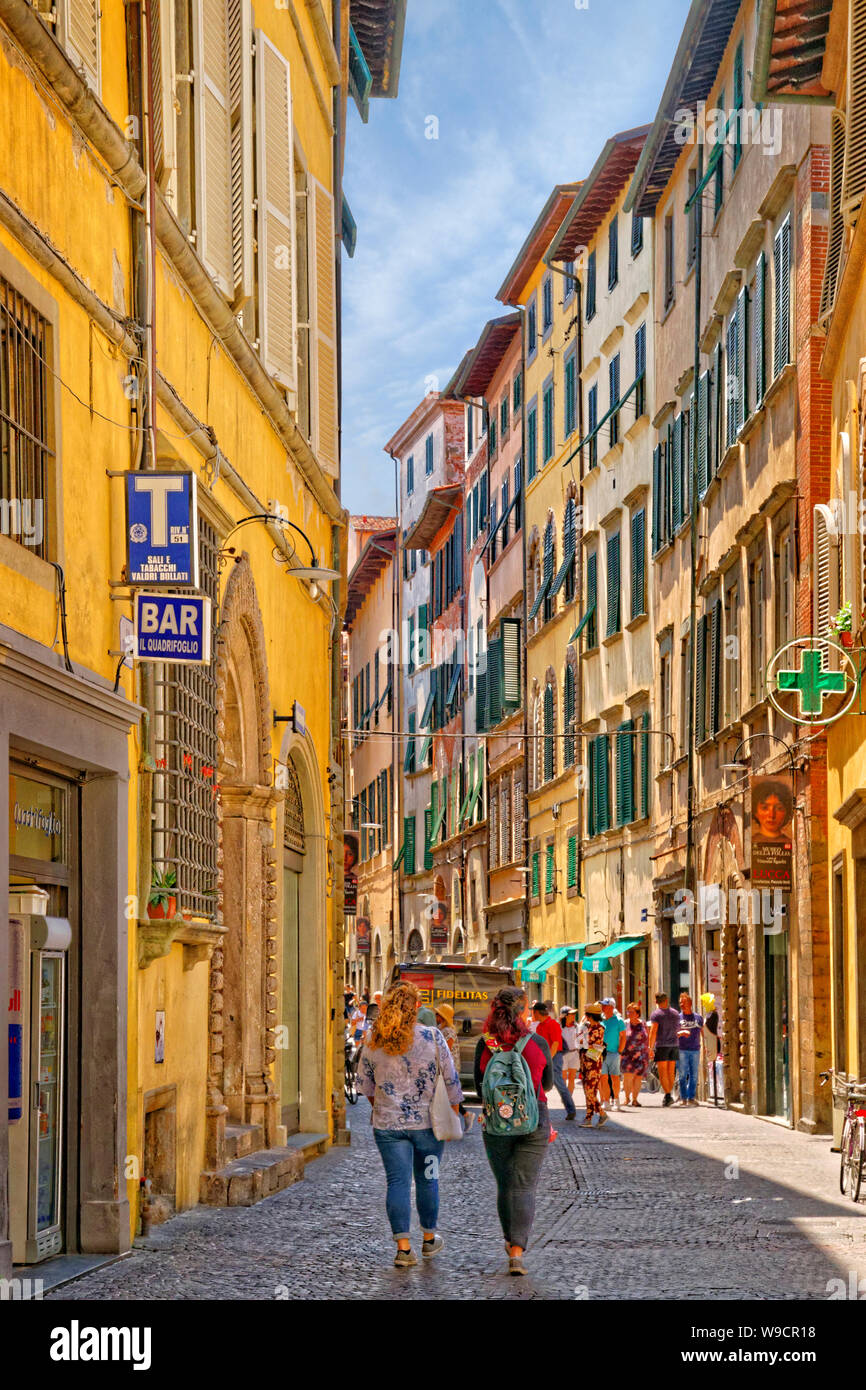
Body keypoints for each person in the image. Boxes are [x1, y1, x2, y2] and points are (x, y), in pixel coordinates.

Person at [358, 980, 462, 1268]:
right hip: (428, 1126)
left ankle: (403, 1249)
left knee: (397, 1182)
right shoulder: (433, 1036)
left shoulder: (372, 1039)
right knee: (429, 1178)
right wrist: (454, 1112)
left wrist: (384, 1108)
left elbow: (366, 1086)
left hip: (389, 1127)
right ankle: (429, 1240)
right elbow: (451, 1080)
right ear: (416, 1007)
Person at [475, 987, 553, 1276]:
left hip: (496, 1121)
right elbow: (547, 1085)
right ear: (523, 1013)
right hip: (533, 1120)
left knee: (505, 1184)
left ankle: (509, 1240)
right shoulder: (538, 1043)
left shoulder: (486, 1044)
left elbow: (479, 1084)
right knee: (524, 1185)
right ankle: (517, 1253)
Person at [532, 1000, 576, 1121]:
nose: (532, 1015)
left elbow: (555, 1045)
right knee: (539, 1084)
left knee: (559, 1084)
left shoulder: (553, 1024)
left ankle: (571, 1110)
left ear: (537, 1013)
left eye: (533, 1012)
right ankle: (538, 1109)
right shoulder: (539, 1026)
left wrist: (547, 1060)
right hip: (545, 1058)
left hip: (554, 1057)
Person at [648, 992, 681, 1107]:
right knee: (671, 1071)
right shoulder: (676, 1013)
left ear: (656, 1002)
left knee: (662, 1073)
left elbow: (653, 1031)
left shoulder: (656, 1014)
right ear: (667, 1000)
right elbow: (678, 1029)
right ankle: (669, 1094)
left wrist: (650, 1048)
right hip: (674, 1044)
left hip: (662, 1045)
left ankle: (667, 1095)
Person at [578, 1002, 606, 1127]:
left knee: (590, 1091)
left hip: (593, 1063)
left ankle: (601, 1113)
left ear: (590, 1016)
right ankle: (588, 1118)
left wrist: (582, 1042)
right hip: (585, 1062)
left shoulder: (599, 1028)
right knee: (588, 1091)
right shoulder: (587, 1027)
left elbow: (590, 1044)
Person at [676, 993, 704, 1106]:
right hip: (682, 1049)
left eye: (684, 1002)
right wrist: (681, 1032)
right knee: (682, 1075)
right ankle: (683, 1098)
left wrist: (706, 1047)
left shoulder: (698, 1018)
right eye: (680, 1003)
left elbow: (703, 1033)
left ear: (690, 1003)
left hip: (695, 1049)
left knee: (694, 1075)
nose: (682, 1004)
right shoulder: (677, 1018)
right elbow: (673, 1034)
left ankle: (691, 1097)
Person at [599, 997, 626, 1111]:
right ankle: (606, 1101)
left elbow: (623, 1037)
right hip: (601, 1053)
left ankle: (616, 1100)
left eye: (605, 1005)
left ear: (611, 1007)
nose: (602, 1007)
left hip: (614, 1053)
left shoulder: (619, 1020)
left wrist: (620, 1051)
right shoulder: (601, 1021)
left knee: (615, 1078)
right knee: (603, 1078)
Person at [621, 1002, 649, 1106]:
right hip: (627, 1054)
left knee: (638, 1077)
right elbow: (621, 1037)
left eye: (632, 1012)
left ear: (637, 1014)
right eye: (628, 1012)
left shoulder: (643, 1024)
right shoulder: (625, 1023)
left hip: (641, 1054)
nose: (629, 1014)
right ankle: (627, 1098)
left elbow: (647, 1037)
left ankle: (635, 1099)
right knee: (628, 1076)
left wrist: (649, 1050)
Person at [560, 1006, 580, 1096]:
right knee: (563, 1077)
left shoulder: (577, 1026)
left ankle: (569, 1097)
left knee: (572, 1077)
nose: (573, 1016)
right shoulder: (559, 1027)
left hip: (574, 1053)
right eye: (571, 1014)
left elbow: (581, 1039)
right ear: (565, 1016)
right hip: (563, 1054)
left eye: (574, 1014)